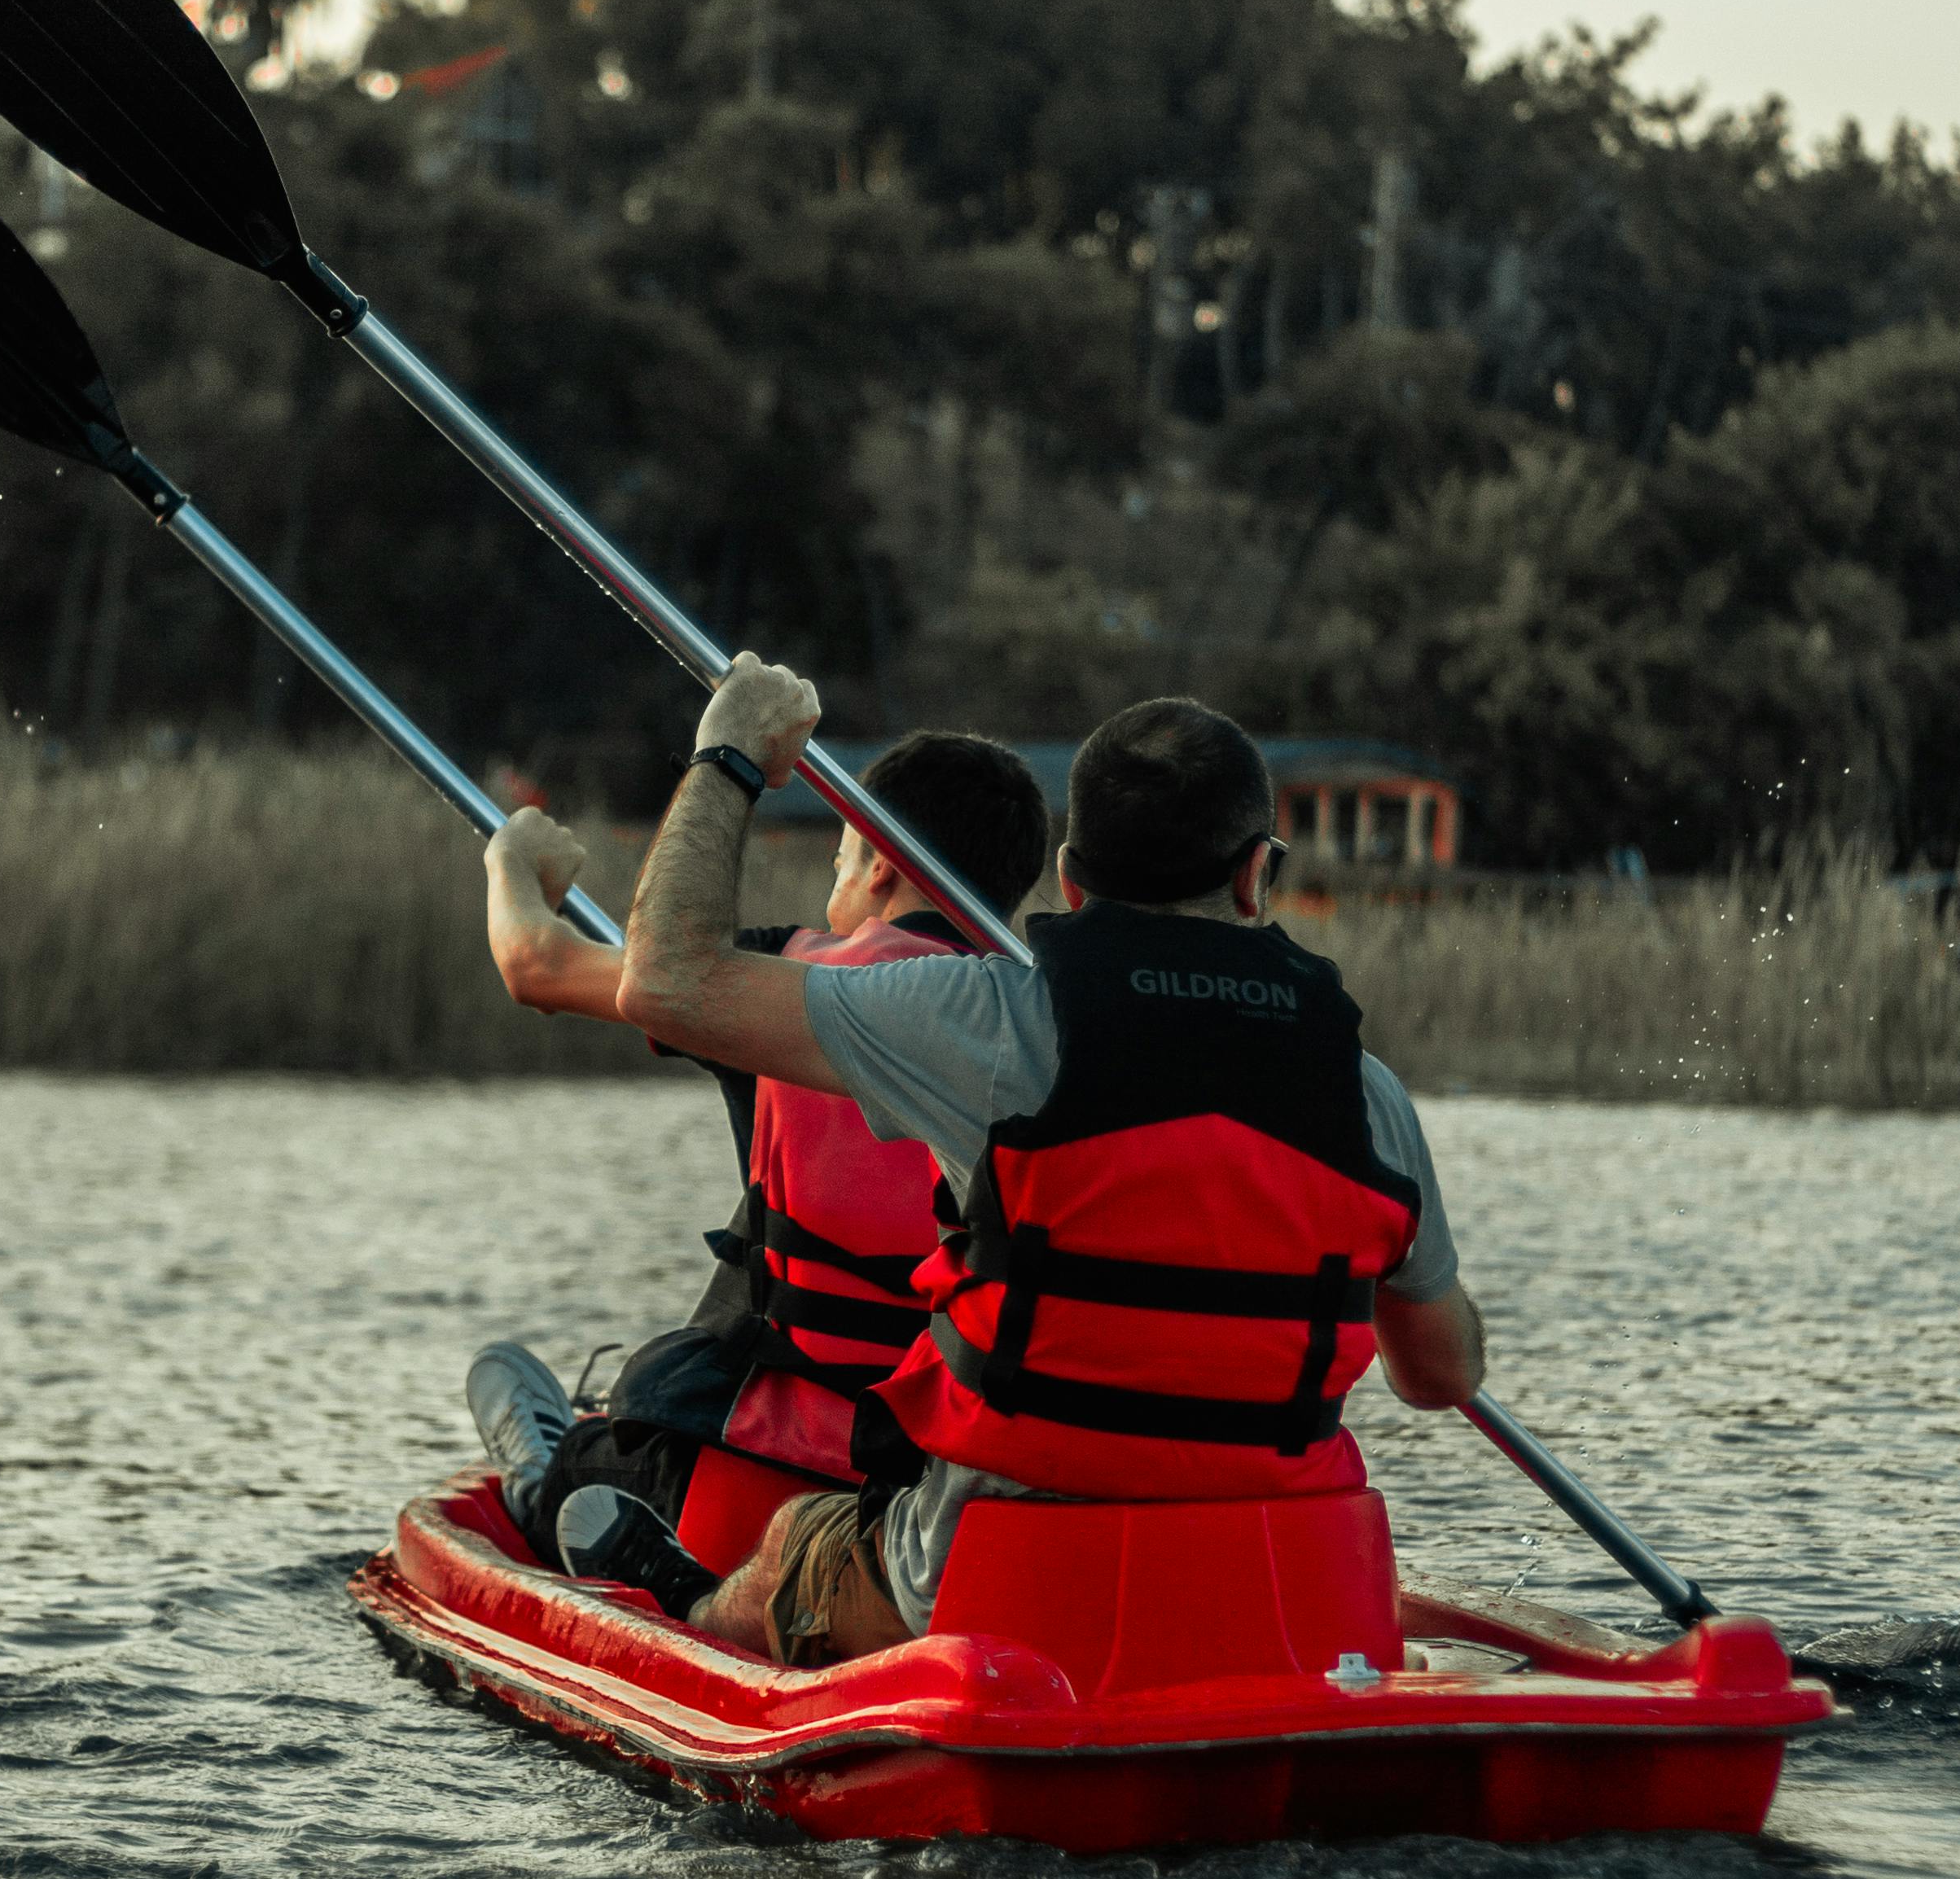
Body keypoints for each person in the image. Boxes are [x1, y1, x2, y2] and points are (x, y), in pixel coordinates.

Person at [607, 662, 1489, 1668]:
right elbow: (1439, 1374)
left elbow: (665, 983)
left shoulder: (988, 1022)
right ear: (1256, 876)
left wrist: (726, 756)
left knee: (787, 1552)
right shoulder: (1370, 1095)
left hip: (1005, 1582)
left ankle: (688, 1620)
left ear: (1071, 879)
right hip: (1274, 1573)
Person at [463, 729, 1052, 1586]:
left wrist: (510, 858)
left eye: (844, 859)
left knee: (580, 1466)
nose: (836, 883)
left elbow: (535, 964)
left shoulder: (782, 982)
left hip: (746, 1485)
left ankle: (537, 1483)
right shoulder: (1035, 1032)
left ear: (881, 866)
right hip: (935, 1496)